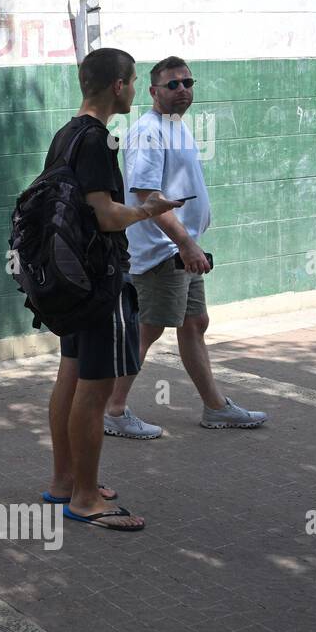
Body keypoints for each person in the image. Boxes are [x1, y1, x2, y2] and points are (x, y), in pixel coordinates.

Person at [42, 49, 182, 531]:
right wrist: (150, 210)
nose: (134, 86)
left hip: (68, 281)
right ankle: (85, 498)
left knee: (70, 374)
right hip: (97, 281)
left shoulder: (66, 133)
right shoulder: (98, 139)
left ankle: (65, 481)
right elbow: (104, 215)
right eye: (134, 80)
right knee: (95, 390)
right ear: (119, 86)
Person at [104, 56, 268, 437]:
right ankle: (113, 410)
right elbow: (148, 196)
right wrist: (185, 244)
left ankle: (216, 407)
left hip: (182, 248)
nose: (182, 90)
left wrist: (189, 244)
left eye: (187, 83)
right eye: (172, 84)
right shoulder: (148, 132)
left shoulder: (176, 126)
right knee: (149, 328)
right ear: (153, 91)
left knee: (194, 323)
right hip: (165, 250)